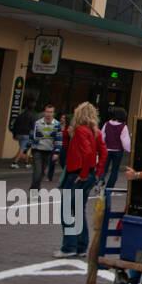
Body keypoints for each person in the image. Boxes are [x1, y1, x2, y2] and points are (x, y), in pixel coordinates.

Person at [54, 102, 107, 258]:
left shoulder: (80, 130)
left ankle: (69, 246)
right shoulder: (96, 131)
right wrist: (97, 172)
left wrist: (83, 173)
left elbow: (88, 153)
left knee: (67, 211)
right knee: (78, 210)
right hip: (89, 173)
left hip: (77, 173)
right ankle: (81, 245)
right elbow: (102, 153)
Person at [29, 105, 61, 188]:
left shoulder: (57, 124)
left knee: (42, 172)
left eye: (51, 112)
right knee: (38, 171)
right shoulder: (37, 123)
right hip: (37, 149)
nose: (48, 114)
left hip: (48, 150)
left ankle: (35, 186)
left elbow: (58, 138)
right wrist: (26, 149)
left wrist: (56, 152)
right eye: (47, 112)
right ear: (44, 112)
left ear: (53, 113)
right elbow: (32, 136)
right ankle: (34, 191)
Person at [101, 107, 131, 191]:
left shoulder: (107, 124)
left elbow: (102, 136)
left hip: (107, 149)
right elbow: (125, 141)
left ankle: (101, 180)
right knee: (114, 170)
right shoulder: (123, 127)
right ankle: (109, 188)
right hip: (118, 151)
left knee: (104, 168)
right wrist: (128, 149)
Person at [11, 102, 36, 168]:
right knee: (22, 149)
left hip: (19, 134)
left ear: (26, 108)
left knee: (24, 149)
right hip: (26, 134)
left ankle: (26, 163)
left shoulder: (20, 115)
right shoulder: (32, 116)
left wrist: (14, 134)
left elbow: (15, 125)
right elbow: (33, 127)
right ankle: (14, 163)